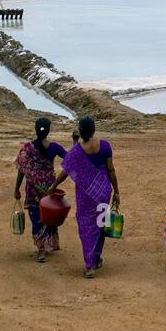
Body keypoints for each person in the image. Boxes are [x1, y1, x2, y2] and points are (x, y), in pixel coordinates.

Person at [49, 116, 120, 279]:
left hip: (86, 196)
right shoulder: (105, 146)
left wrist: (53, 186)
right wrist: (116, 192)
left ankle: (90, 265)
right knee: (101, 224)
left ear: (80, 132)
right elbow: (111, 171)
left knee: (86, 226)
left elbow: (66, 171)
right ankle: (97, 257)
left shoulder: (77, 151)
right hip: (103, 193)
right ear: (94, 130)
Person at [14, 117, 67, 262]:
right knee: (49, 216)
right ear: (48, 130)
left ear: (35, 130)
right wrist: (75, 142)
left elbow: (21, 171)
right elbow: (70, 160)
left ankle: (41, 249)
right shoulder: (55, 147)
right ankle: (50, 244)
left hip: (32, 191)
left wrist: (17, 189)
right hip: (49, 189)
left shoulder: (27, 148)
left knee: (36, 218)